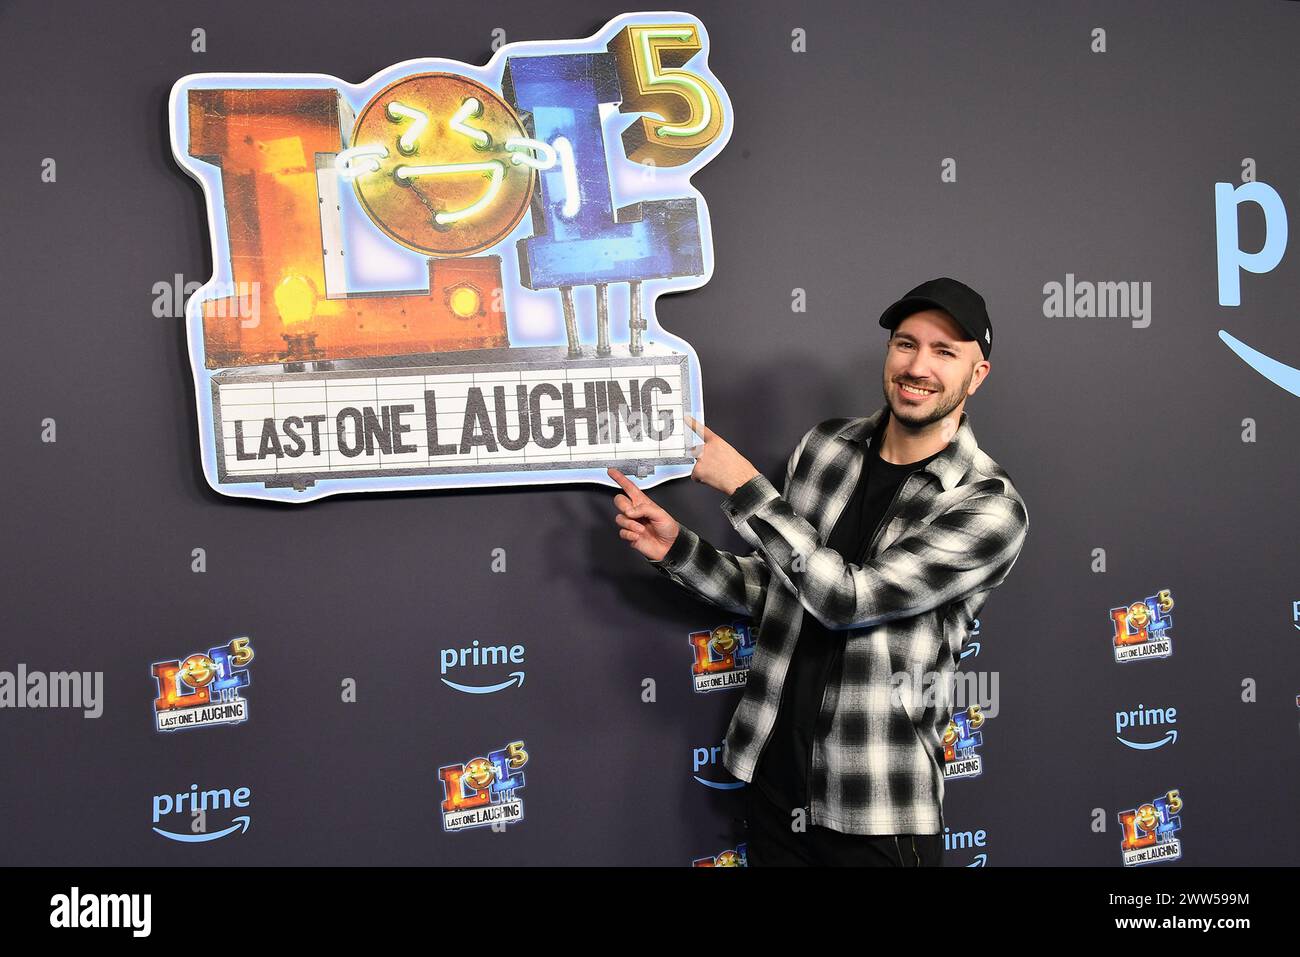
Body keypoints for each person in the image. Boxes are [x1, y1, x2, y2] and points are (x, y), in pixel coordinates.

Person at [609, 277, 1029, 866]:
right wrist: (679, 549)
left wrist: (742, 484)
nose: (918, 365)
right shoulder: (825, 448)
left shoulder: (986, 506)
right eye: (906, 344)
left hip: (876, 808)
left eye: (944, 352)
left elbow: (847, 601)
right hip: (776, 784)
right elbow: (782, 590)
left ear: (976, 375)